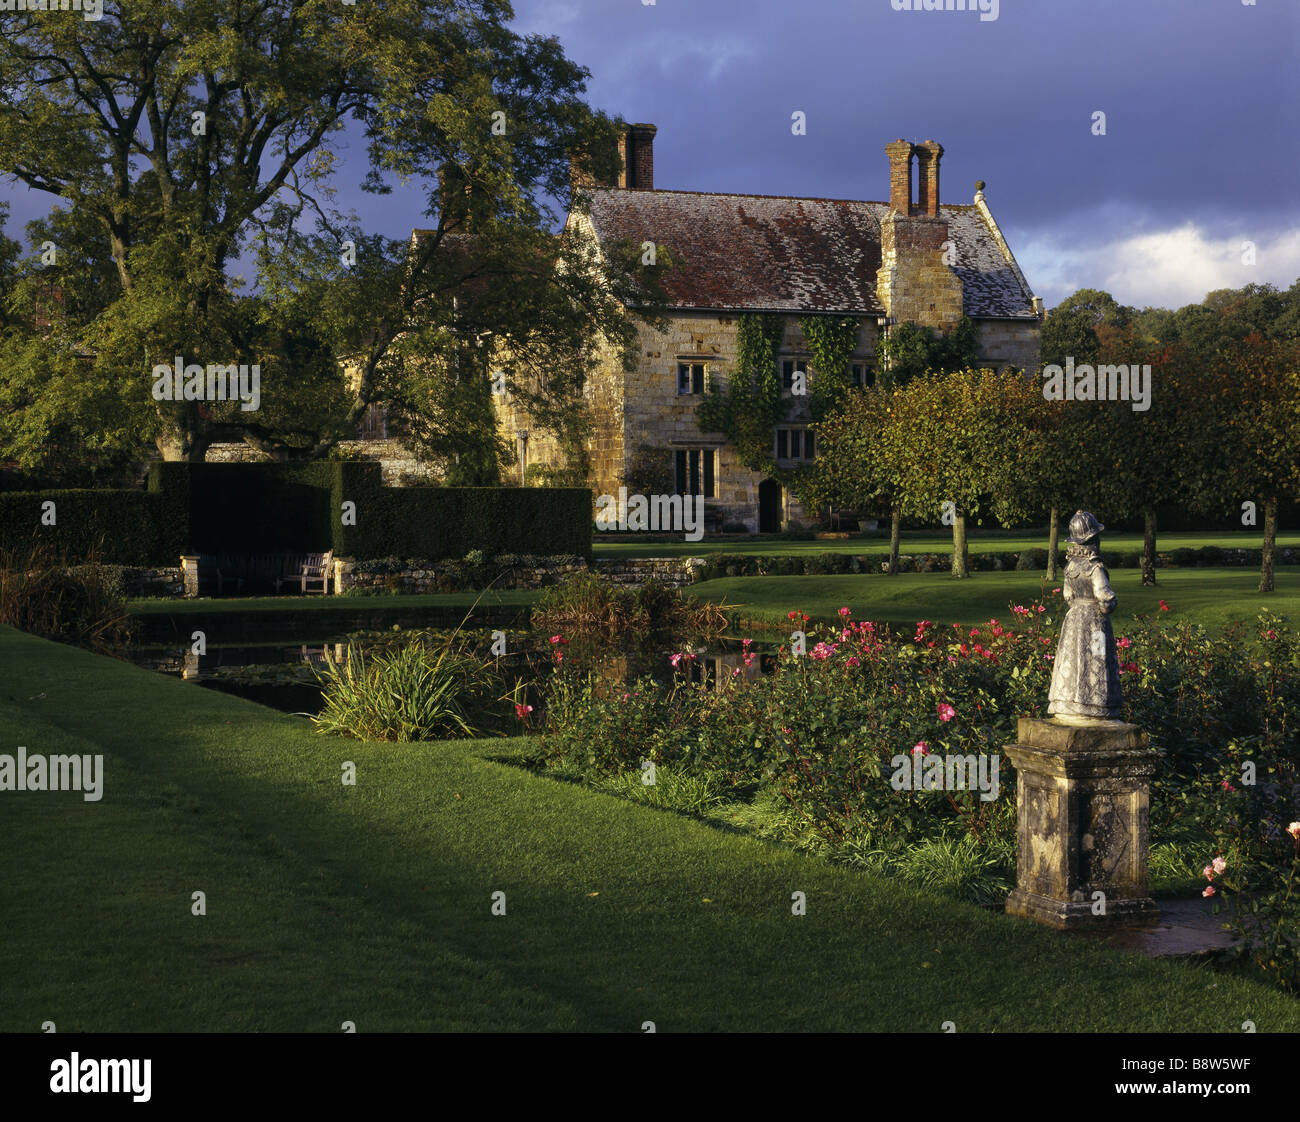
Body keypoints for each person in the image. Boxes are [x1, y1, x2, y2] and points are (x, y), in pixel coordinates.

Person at [1047, 511, 1122, 722]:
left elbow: (1068, 596)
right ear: (1093, 539)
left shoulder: (1070, 568)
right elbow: (1105, 599)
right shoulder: (1095, 568)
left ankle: (1068, 702)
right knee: (1096, 659)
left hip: (1074, 620)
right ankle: (1095, 704)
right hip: (1095, 623)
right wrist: (1112, 602)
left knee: (1072, 658)